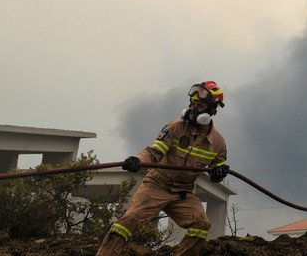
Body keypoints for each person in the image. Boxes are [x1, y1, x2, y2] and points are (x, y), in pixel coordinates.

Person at [96, 81, 231, 256]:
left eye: (200, 105)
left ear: (212, 110)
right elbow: (154, 152)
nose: (193, 108)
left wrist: (219, 173)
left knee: (201, 224)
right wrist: (137, 160)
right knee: (126, 223)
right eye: (193, 103)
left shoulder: (218, 142)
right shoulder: (174, 127)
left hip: (184, 193)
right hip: (156, 185)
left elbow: (217, 171)